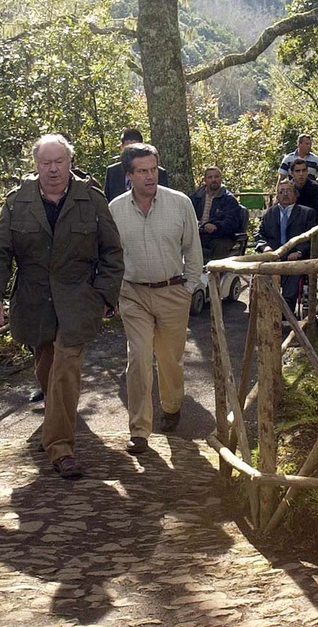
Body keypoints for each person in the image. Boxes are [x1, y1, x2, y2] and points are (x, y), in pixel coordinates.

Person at [0, 134, 124, 480]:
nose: (53, 169)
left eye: (59, 161)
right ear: (36, 165)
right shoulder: (18, 202)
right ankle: (57, 418)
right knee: (48, 367)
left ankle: (60, 447)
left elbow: (112, 253)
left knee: (64, 368)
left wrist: (104, 296)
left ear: (70, 162)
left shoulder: (91, 200)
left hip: (77, 300)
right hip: (34, 302)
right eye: (46, 163)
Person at [109, 143, 204, 455]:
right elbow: (110, 254)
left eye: (153, 170)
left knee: (169, 359)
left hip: (172, 291)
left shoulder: (180, 203)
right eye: (142, 171)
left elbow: (192, 248)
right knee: (137, 358)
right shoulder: (116, 209)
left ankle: (172, 406)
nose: (149, 176)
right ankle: (139, 430)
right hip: (133, 294)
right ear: (129, 175)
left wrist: (189, 287)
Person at [254, 180, 318, 307]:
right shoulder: (269, 213)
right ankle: (265, 306)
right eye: (281, 191)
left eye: (288, 191)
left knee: (293, 272)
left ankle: (286, 309)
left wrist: (299, 251)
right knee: (262, 274)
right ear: (277, 195)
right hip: (272, 255)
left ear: (296, 194)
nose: (285, 194)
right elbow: (259, 234)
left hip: (294, 256)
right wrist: (265, 247)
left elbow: (311, 236)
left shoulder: (307, 213)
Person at [189, 166, 245, 261]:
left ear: (221, 178)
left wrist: (216, 227)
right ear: (205, 180)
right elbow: (187, 216)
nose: (213, 180)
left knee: (220, 247)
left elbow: (232, 222)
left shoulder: (229, 199)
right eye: (210, 177)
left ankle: (216, 273)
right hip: (198, 235)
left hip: (220, 237)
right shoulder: (196, 197)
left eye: (216, 177)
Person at [105, 128, 168, 200]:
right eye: (128, 149)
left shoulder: (159, 172)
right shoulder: (112, 171)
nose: (132, 154)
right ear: (121, 147)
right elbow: (107, 200)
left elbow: (163, 198)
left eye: (135, 149)